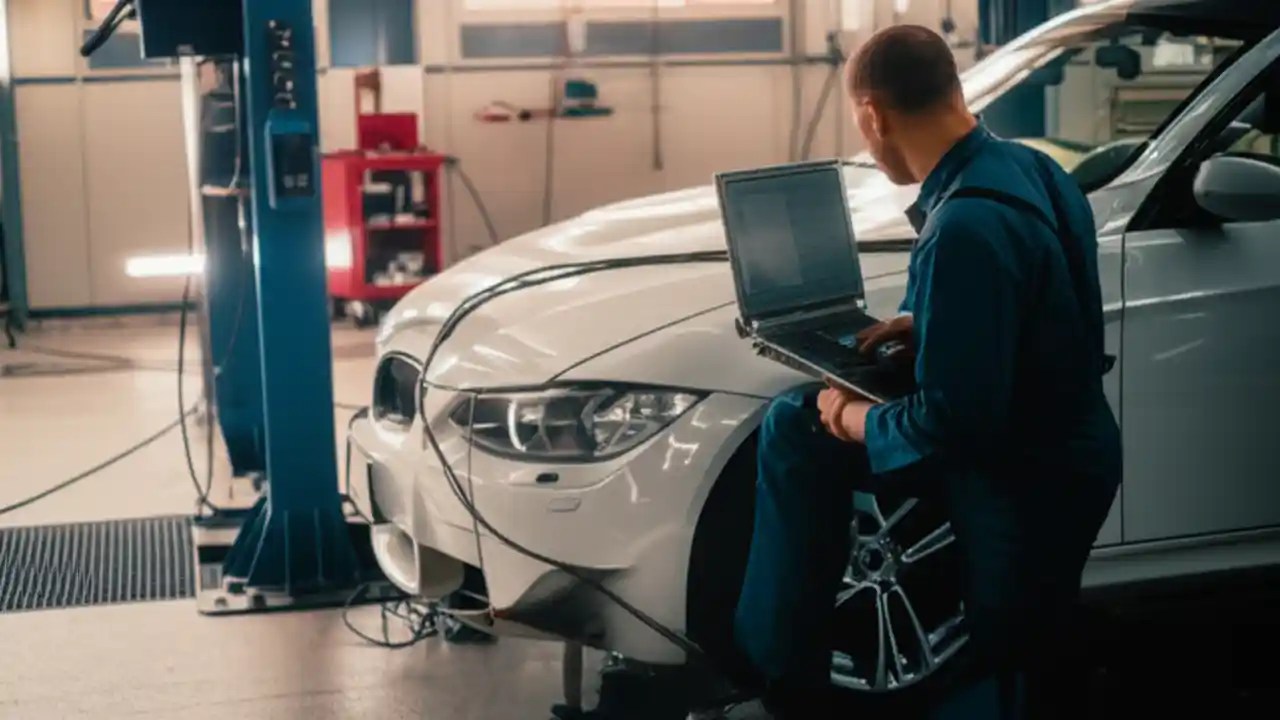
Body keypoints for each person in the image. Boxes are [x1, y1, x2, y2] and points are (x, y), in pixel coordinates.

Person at [729, 25, 1122, 719]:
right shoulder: (1033, 170)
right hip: (1080, 449)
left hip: (1023, 479)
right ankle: (788, 676)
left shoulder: (961, 227)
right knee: (1038, 645)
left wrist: (851, 418)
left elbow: (952, 425)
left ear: (874, 115)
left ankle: (782, 680)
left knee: (799, 424)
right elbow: (1048, 307)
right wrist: (929, 322)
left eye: (862, 122)